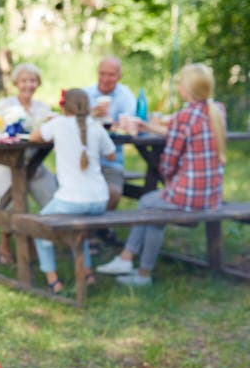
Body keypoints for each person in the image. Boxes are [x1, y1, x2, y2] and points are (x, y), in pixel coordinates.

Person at [96, 63, 226, 286]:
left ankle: (139, 270)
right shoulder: (217, 110)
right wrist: (147, 127)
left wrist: (168, 178)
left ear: (188, 88)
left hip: (191, 197)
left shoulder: (185, 116)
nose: (178, 86)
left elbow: (168, 163)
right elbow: (180, 131)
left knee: (148, 204)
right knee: (151, 204)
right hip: (212, 195)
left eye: (180, 82)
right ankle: (130, 262)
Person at [28, 89, 116, 293]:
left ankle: (53, 280)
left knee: (38, 227)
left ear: (64, 106)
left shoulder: (58, 124)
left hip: (71, 201)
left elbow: (33, 137)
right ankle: (87, 273)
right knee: (78, 229)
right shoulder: (96, 127)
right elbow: (111, 155)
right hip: (100, 200)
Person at [0, 63, 57, 264]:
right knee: (10, 205)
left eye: (33, 80)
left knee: (53, 201)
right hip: (4, 164)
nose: (28, 85)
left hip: (33, 164)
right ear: (16, 83)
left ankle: (39, 241)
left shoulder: (43, 109)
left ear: (38, 83)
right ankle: (4, 244)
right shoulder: (5, 105)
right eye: (24, 80)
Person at [83, 56, 136, 210]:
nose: (105, 79)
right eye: (102, 73)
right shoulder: (85, 94)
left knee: (112, 193)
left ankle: (100, 224)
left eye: (111, 75)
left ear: (119, 76)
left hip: (111, 162)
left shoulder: (126, 96)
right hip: (84, 160)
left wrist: (110, 123)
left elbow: (129, 127)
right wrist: (90, 114)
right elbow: (71, 123)